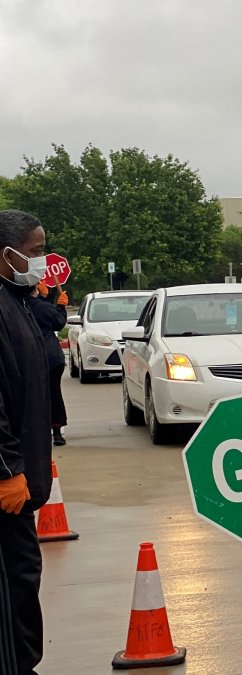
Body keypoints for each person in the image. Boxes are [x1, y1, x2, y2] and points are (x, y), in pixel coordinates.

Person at [0, 210, 52, 674]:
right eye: (35, 252)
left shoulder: (16, 301)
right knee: (13, 582)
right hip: (6, 487)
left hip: (22, 478)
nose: (42, 261)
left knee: (23, 577)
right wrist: (7, 470)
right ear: (7, 255)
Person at [31, 282, 69, 446]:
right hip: (51, 358)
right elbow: (58, 322)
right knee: (53, 394)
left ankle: (36, 432)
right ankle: (57, 431)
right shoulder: (41, 307)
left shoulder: (18, 306)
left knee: (33, 396)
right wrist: (61, 306)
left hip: (28, 359)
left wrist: (46, 298)